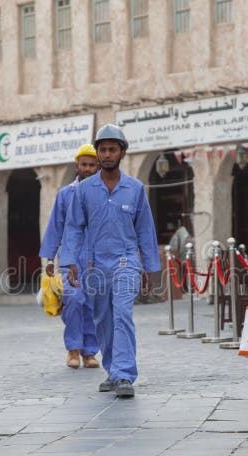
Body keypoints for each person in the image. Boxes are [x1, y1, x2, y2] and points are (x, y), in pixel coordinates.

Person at [60, 124, 160, 398]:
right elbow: (73, 227)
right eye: (102, 149)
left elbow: (145, 230)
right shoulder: (84, 190)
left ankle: (125, 374)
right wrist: (70, 261)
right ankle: (113, 370)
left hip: (126, 260)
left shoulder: (135, 189)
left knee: (123, 314)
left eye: (111, 149)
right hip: (95, 265)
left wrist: (150, 268)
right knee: (103, 317)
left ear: (122, 153)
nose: (106, 154)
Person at [39, 144, 101, 369]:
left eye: (92, 165)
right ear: (77, 166)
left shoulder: (103, 194)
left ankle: (90, 352)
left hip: (96, 259)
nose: (87, 168)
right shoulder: (65, 195)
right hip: (70, 258)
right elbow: (55, 225)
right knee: (74, 300)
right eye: (84, 164)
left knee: (91, 305)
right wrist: (49, 259)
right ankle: (73, 349)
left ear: (98, 167)